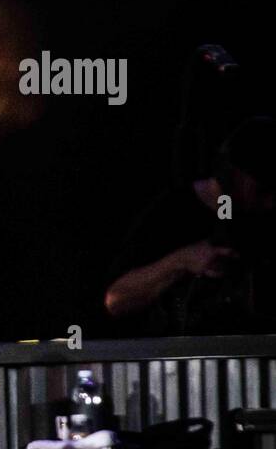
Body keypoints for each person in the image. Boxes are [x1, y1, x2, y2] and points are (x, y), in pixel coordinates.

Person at [105, 117, 276, 335]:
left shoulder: (265, 221)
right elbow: (116, 299)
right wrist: (182, 260)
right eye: (263, 189)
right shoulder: (173, 211)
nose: (270, 203)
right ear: (234, 172)